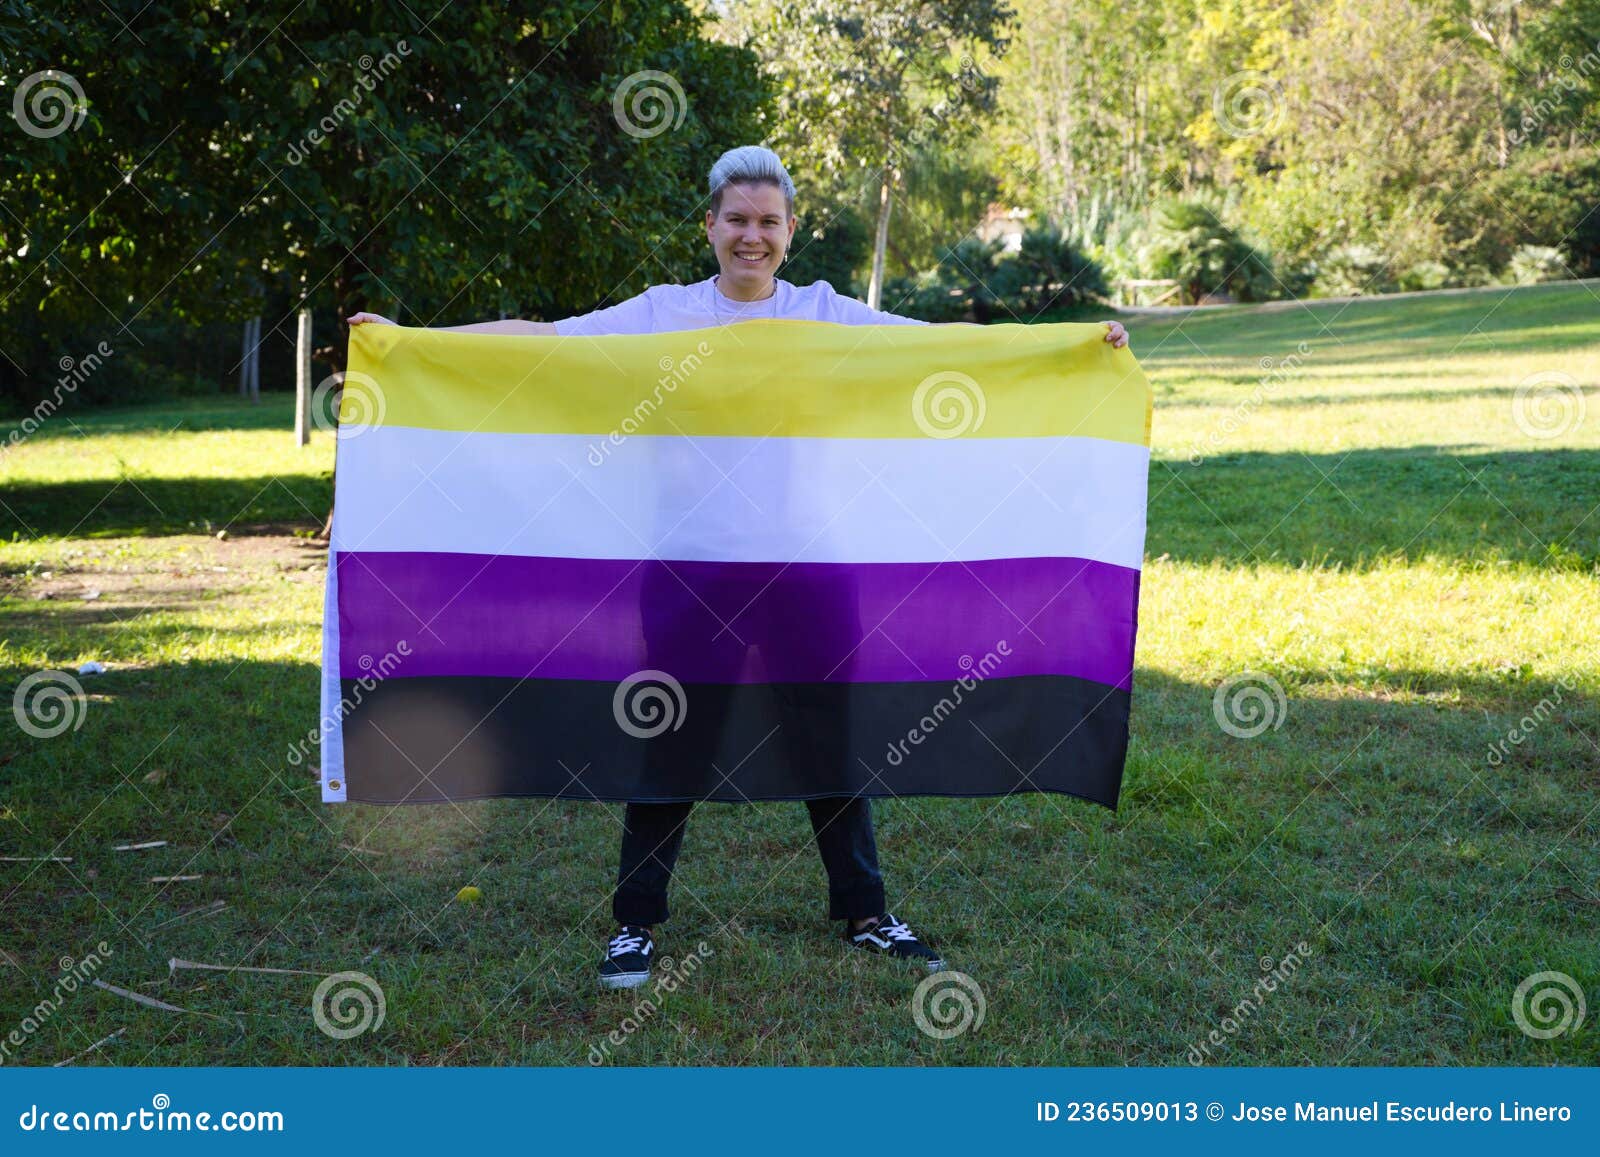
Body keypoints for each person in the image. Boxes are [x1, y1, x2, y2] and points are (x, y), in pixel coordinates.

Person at [348, 145, 1130, 992]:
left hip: (809, 571)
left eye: (768, 222)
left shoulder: (826, 314)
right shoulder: (660, 315)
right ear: (710, 226)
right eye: (736, 220)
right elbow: (543, 344)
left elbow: (940, 347)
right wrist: (411, 344)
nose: (750, 237)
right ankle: (635, 924)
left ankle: (866, 911)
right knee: (669, 742)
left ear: (791, 230)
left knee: (827, 735)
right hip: (689, 573)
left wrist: (1071, 347)